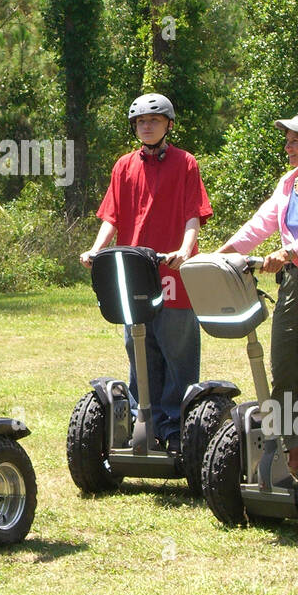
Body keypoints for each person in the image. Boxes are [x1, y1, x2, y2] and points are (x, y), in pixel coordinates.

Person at [215, 111, 298, 475]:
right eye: (287, 140)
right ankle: (293, 458)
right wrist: (222, 254)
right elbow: (261, 224)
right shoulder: (288, 184)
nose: (288, 147)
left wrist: (288, 252)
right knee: (285, 369)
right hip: (292, 282)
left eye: (295, 141)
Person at [80, 93, 212, 454]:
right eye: (140, 121)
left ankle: (176, 426)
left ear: (168, 125)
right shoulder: (124, 165)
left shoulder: (186, 163)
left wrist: (186, 249)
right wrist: (97, 249)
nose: (147, 126)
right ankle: (144, 421)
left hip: (171, 270)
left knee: (176, 350)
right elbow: (112, 216)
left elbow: (192, 213)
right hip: (133, 271)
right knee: (137, 346)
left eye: (153, 120)